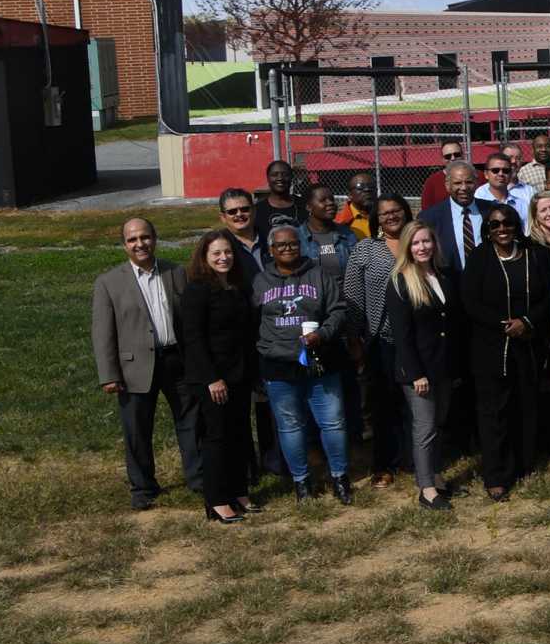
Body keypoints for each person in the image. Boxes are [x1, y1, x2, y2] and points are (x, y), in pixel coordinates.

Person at [91, 217, 204, 511]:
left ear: (154, 238)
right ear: (124, 245)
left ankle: (198, 477)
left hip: (176, 360)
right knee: (138, 429)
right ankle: (142, 487)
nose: (139, 244)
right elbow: (103, 333)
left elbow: (189, 319)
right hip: (134, 368)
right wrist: (108, 375)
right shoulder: (108, 283)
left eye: (144, 237)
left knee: (190, 421)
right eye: (132, 240)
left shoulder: (176, 272)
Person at [252, 223, 353, 503]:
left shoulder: (319, 274)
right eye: (281, 245)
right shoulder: (261, 281)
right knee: (290, 426)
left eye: (293, 244)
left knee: (332, 423)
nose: (287, 249)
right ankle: (301, 482)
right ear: (271, 250)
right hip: (279, 365)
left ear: (300, 245)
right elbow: (253, 320)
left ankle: (339, 477)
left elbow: (338, 311)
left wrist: (322, 334)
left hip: (320, 361)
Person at [462, 204, 550, 501]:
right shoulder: (479, 258)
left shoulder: (535, 254)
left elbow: (548, 296)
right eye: (495, 225)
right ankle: (496, 474)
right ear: (488, 230)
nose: (502, 229)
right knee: (493, 413)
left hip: (527, 344)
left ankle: (523, 463)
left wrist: (525, 322)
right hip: (491, 347)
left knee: (525, 406)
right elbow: (470, 302)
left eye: (508, 224)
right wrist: (503, 326)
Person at [177, 230, 258, 523]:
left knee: (239, 435)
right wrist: (211, 378)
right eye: (216, 254)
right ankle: (216, 500)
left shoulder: (236, 286)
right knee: (217, 437)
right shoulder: (197, 290)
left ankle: (238, 491)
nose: (223, 258)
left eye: (228, 253)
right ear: (204, 257)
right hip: (212, 378)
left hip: (239, 374)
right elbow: (193, 339)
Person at [387, 220, 461, 511]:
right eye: (416, 243)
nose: (422, 247)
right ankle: (426, 488)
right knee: (425, 428)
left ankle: (437, 476)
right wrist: (416, 373)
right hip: (418, 372)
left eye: (426, 241)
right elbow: (402, 335)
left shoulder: (443, 275)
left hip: (442, 366)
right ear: (408, 247)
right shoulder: (401, 280)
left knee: (439, 425)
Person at [342, 194, 412, 488]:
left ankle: (413, 460)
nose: (391, 217)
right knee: (383, 404)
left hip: (417, 339)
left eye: (396, 211)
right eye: (384, 214)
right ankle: (384, 464)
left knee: (415, 404)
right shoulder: (365, 250)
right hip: (380, 339)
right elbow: (354, 296)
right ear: (376, 219)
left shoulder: (419, 242)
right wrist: (355, 339)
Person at [473, 151, 533, 228]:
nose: (501, 174)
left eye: (505, 171)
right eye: (495, 170)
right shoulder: (477, 201)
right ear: (486, 174)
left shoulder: (522, 205)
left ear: (511, 174)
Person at [251, 160, 305, 243]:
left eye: (285, 174)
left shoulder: (304, 205)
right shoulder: (257, 210)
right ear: (268, 178)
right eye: (274, 175)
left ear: (291, 177)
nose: (280, 178)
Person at [420, 140, 467, 216]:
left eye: (457, 154)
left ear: (463, 155)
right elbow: (426, 212)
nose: (453, 158)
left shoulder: (478, 176)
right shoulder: (432, 182)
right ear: (442, 159)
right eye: (448, 156)